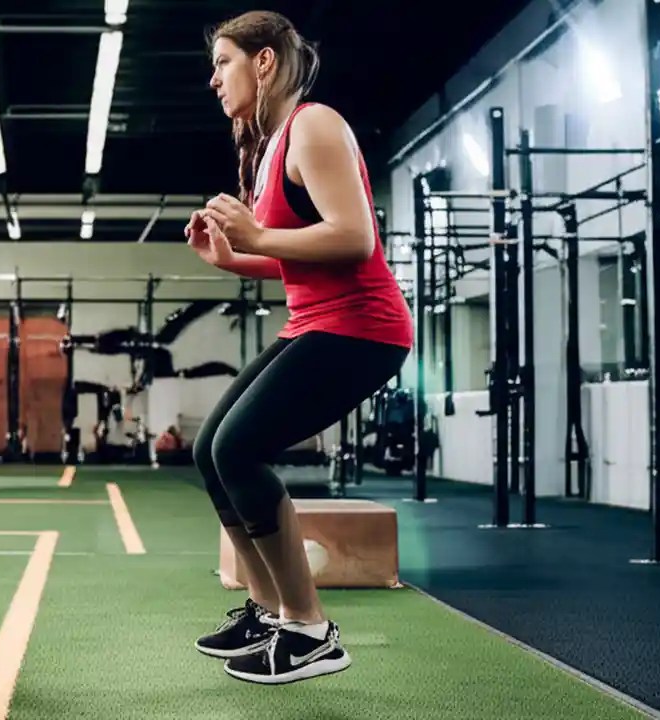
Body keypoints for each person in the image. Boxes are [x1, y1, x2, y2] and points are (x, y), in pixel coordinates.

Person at [184, 11, 413, 686]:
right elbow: (295, 257)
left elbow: (354, 240)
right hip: (314, 320)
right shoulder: (270, 142)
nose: (214, 79)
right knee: (210, 450)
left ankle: (311, 630)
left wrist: (256, 236)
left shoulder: (314, 125)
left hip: (363, 328)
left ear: (263, 62)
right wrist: (233, 258)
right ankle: (265, 608)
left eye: (223, 62)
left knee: (238, 448)